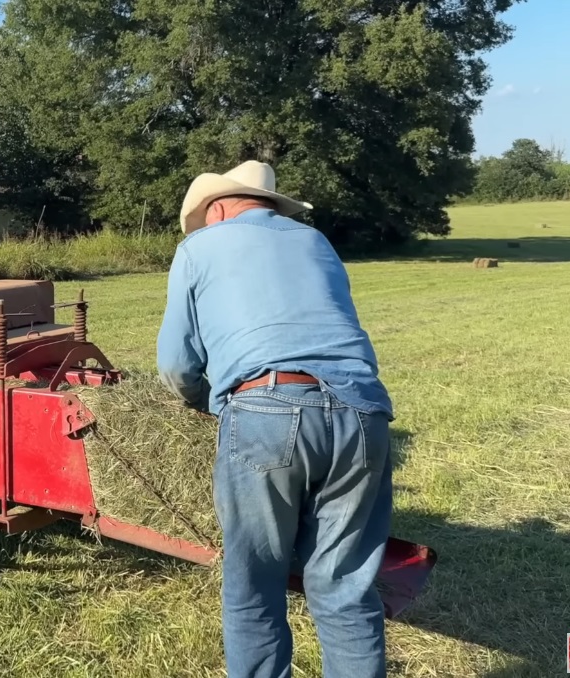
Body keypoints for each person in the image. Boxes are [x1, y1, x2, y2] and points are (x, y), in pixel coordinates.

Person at [155, 160, 395, 678]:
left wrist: (209, 403)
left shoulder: (198, 248)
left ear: (216, 208)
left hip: (266, 408)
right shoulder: (315, 243)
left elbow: (176, 364)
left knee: (254, 588)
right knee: (345, 587)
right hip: (364, 411)